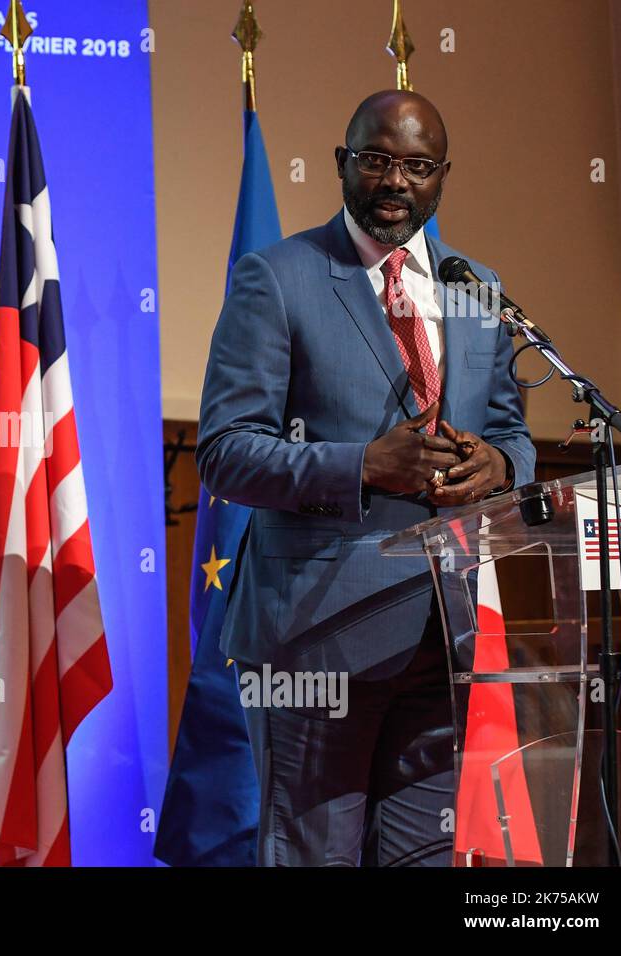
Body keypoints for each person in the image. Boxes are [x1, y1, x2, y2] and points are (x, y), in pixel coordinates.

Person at [196, 90, 535, 866]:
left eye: (417, 166)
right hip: (315, 636)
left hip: (444, 633)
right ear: (343, 164)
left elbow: (511, 429)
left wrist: (499, 464)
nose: (395, 180)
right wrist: (364, 464)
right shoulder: (277, 277)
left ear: (441, 177)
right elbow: (224, 450)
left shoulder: (472, 285)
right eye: (377, 159)